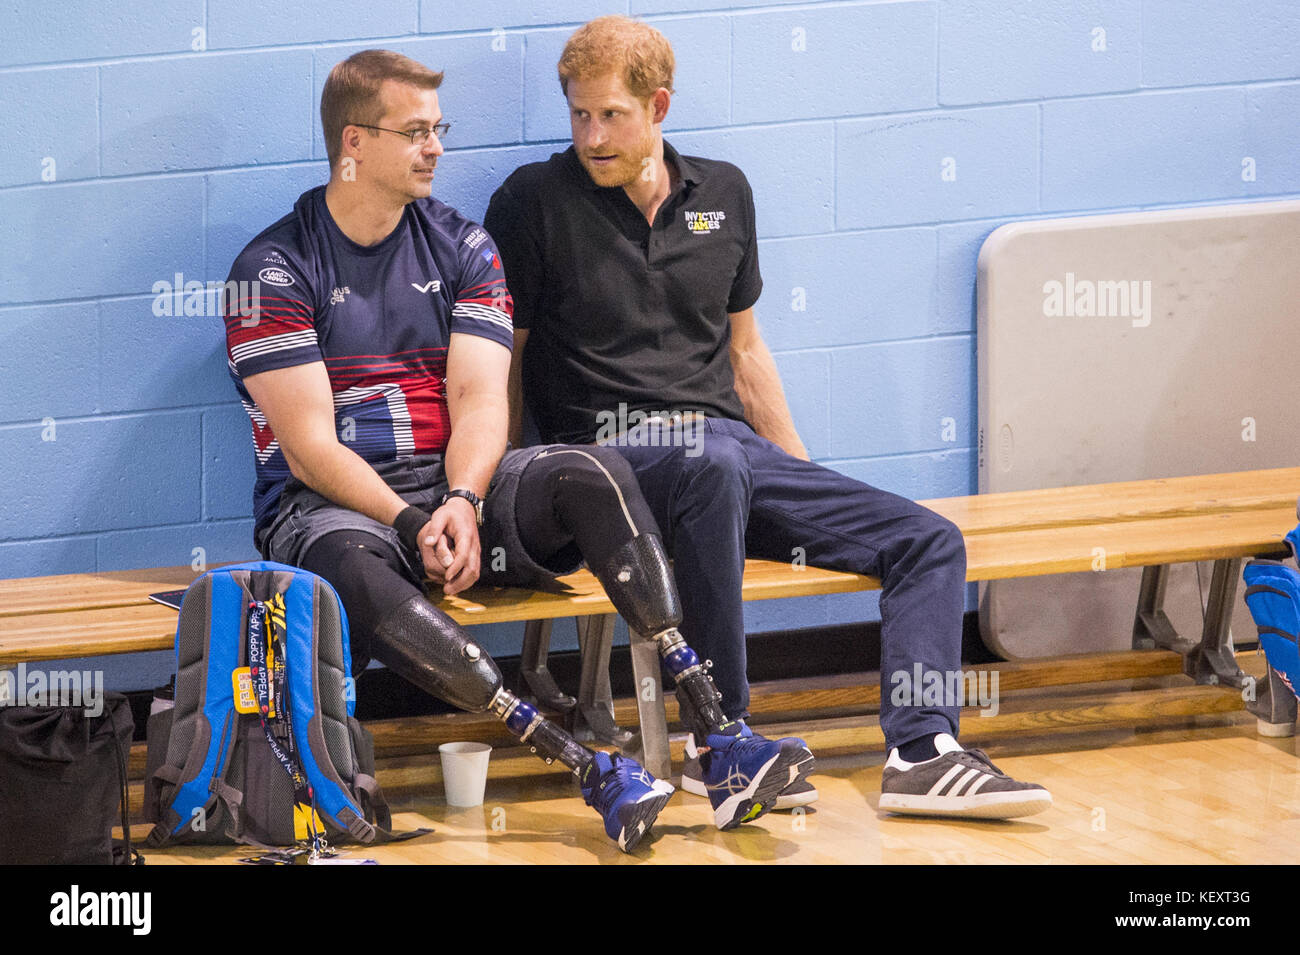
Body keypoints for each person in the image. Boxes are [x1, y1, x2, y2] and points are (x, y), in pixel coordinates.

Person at [220, 49, 813, 853]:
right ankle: (586, 766)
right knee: (345, 566)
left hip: (454, 494)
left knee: (589, 471)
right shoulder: (273, 268)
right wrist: (411, 521)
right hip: (335, 513)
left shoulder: (465, 246)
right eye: (417, 132)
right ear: (353, 142)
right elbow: (310, 449)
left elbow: (480, 399)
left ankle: (719, 736)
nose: (437, 148)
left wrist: (460, 500)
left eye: (440, 129)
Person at [484, 16, 1051, 819]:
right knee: (709, 459)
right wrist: (496, 494)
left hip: (730, 456)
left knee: (928, 540)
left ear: (660, 106)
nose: (591, 134)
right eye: (578, 114)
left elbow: (746, 353)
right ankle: (724, 744)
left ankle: (923, 750)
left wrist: (803, 474)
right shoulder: (533, 202)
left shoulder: (724, 193)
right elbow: (502, 359)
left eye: (610, 115)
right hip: (613, 466)